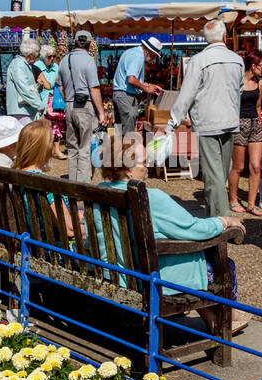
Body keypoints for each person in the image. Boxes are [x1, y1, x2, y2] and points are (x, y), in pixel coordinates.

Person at [101, 138, 245, 333]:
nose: (148, 165)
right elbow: (193, 228)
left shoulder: (102, 190)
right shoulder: (150, 197)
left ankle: (211, 320)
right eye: (144, 162)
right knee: (223, 264)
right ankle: (228, 317)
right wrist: (225, 222)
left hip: (117, 271)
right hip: (152, 277)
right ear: (127, 168)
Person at [165, 19, 243, 216]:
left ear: (205, 38)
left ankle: (220, 218)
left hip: (208, 122)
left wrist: (173, 122)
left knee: (213, 174)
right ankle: (216, 213)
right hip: (230, 120)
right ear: (224, 36)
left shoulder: (198, 61)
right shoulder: (237, 60)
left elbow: (187, 94)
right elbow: (239, 90)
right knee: (221, 172)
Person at [58, 30, 108, 183]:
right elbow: (94, 88)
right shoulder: (89, 61)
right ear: (90, 44)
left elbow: (60, 87)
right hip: (84, 107)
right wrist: (101, 113)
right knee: (85, 148)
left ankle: (73, 184)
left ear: (74, 42)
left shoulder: (63, 60)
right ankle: (83, 186)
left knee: (72, 148)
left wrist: (69, 102)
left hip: (69, 106)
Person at [228, 52, 262, 216]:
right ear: (253, 66)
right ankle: (233, 200)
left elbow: (258, 107)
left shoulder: (260, 83)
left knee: (256, 166)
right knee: (238, 166)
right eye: (261, 66)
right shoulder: (237, 82)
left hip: (254, 124)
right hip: (238, 123)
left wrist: (260, 123)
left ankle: (251, 204)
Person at [111, 35, 164, 136]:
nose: (153, 59)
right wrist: (146, 88)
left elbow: (130, 79)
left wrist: (148, 85)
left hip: (119, 94)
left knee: (119, 130)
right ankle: (127, 151)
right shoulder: (138, 56)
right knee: (128, 132)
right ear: (149, 52)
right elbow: (131, 79)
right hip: (125, 96)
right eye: (154, 56)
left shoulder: (131, 52)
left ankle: (117, 150)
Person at [5, 37, 45, 124]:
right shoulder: (18, 64)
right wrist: (39, 105)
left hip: (27, 110)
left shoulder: (24, 65)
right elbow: (24, 88)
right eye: (37, 56)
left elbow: (26, 86)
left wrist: (38, 86)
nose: (38, 58)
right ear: (31, 55)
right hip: (22, 111)